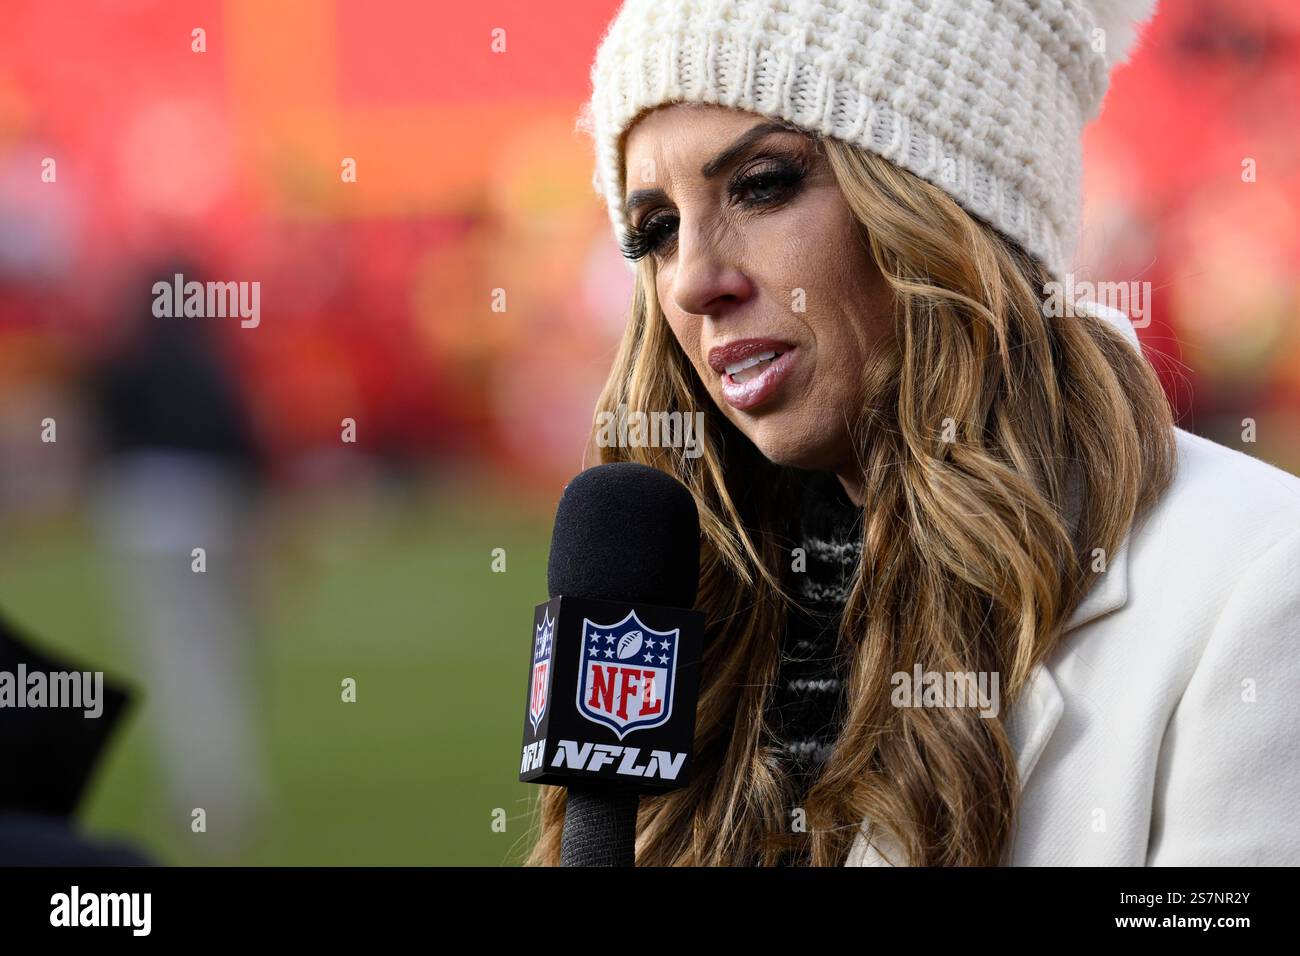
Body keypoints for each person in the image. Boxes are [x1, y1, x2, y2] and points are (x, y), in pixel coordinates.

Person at [527, 0, 1300, 866]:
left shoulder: (1260, 582)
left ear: (946, 209)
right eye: (656, 231)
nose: (695, 281)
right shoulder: (698, 600)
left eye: (763, 185)